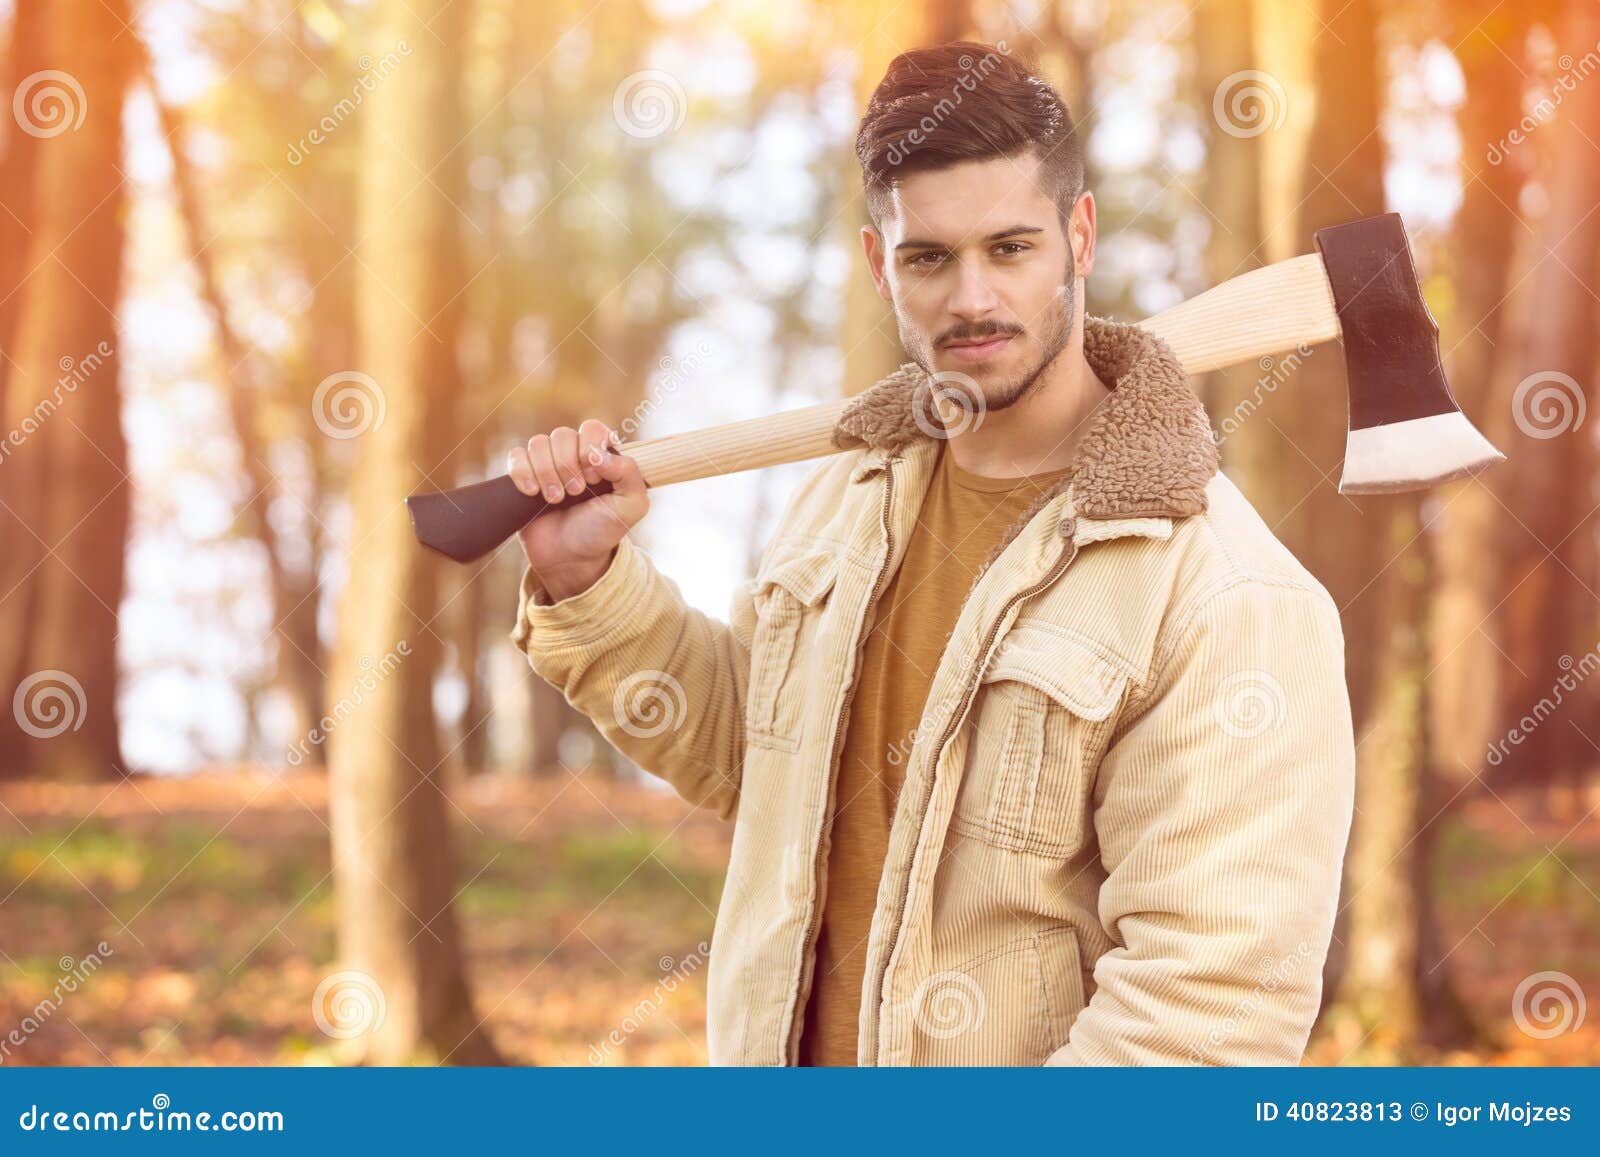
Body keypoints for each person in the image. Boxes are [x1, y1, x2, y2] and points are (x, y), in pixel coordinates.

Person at [505, 41, 1355, 1066]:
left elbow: (1203, 1016)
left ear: (1078, 237)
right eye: (928, 258)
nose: (972, 300)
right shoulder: (850, 495)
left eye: (1010, 248)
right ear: (878, 264)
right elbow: (766, 756)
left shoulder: (1226, 595)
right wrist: (585, 581)